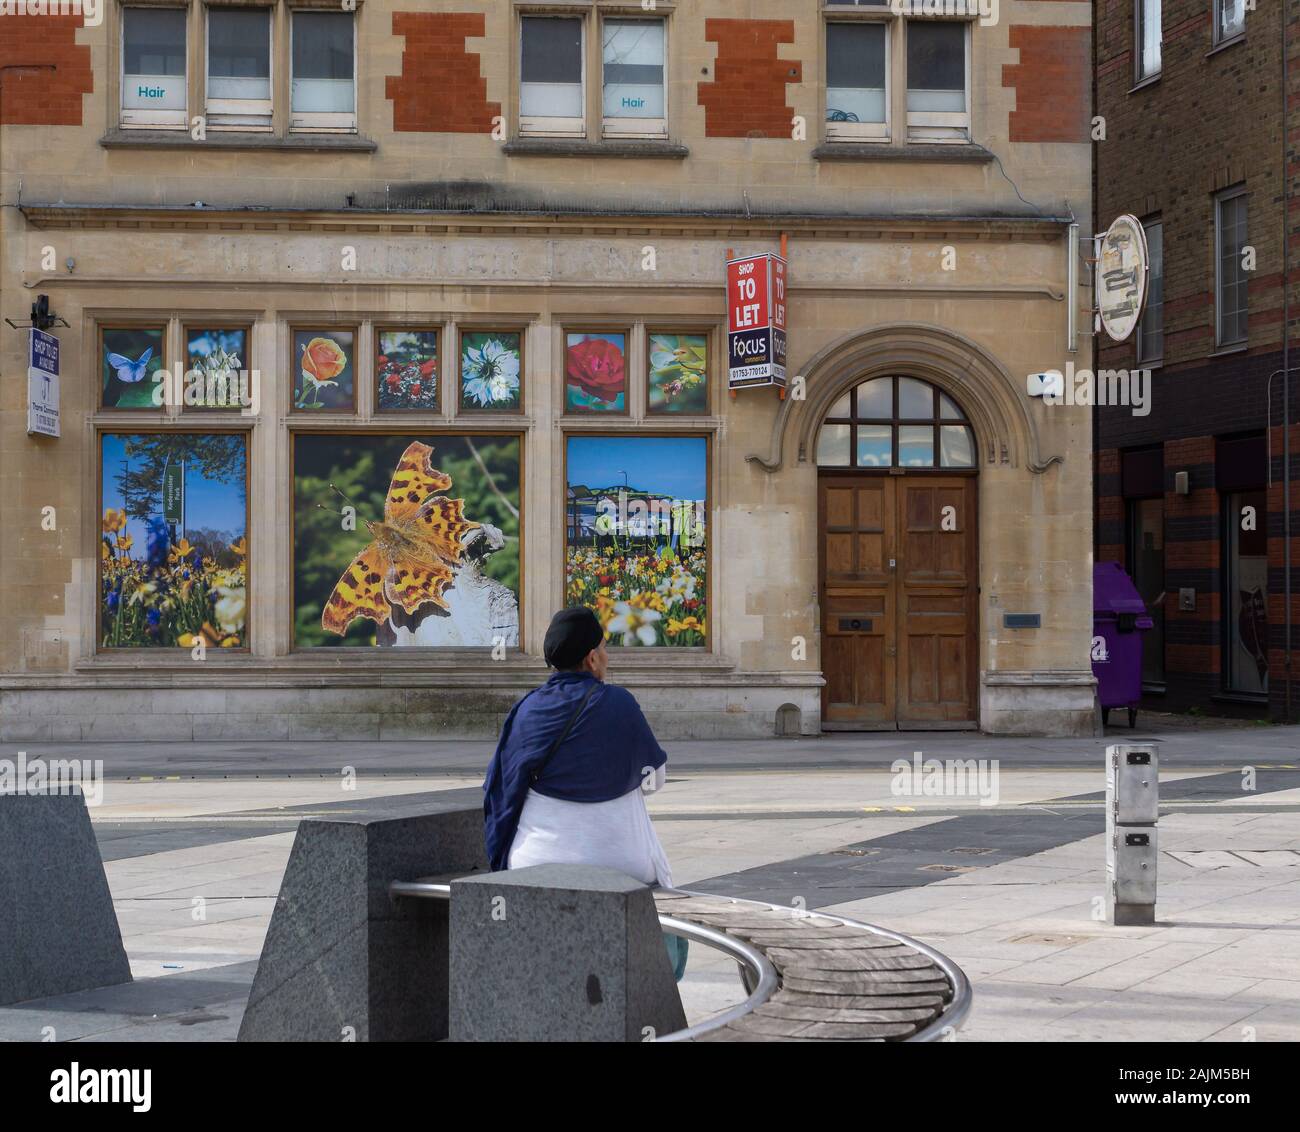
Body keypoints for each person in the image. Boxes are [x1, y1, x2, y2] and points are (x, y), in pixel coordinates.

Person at [482, 606, 687, 977]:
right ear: (592, 658)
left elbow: (502, 791)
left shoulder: (526, 710)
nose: (607, 657)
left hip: (536, 864)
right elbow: (654, 780)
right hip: (619, 868)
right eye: (604, 649)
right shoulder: (619, 703)